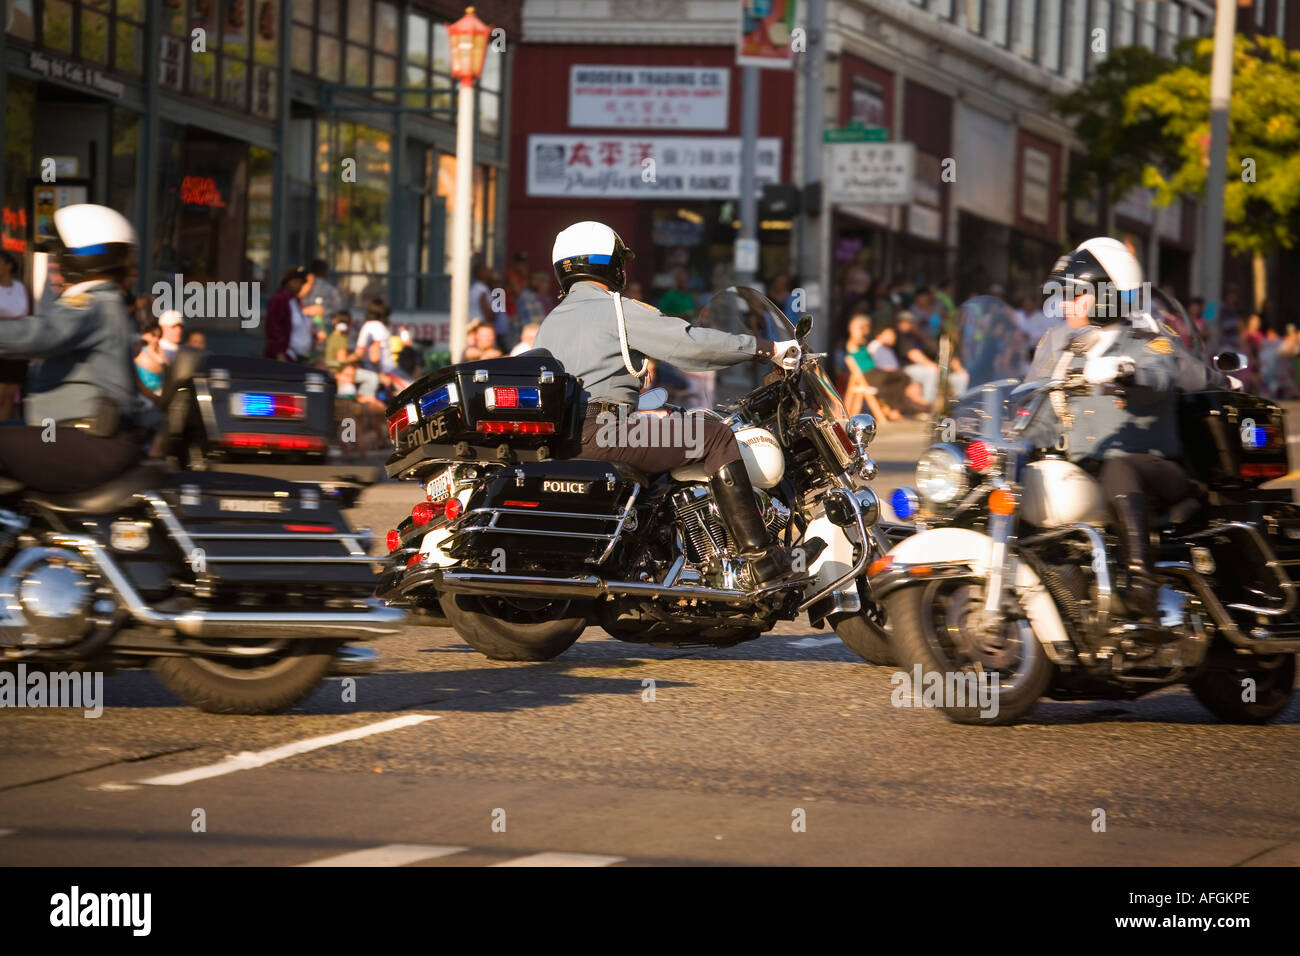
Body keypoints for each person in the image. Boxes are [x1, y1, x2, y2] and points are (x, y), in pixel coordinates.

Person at [532, 220, 802, 589]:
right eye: (619, 261)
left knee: (675, 426)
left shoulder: (550, 321)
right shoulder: (616, 309)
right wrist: (765, 349)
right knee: (712, 435)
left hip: (568, 436)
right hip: (604, 432)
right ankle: (760, 556)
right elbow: (689, 344)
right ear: (607, 263)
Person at [1025, 238, 1228, 627]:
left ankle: (1142, 584)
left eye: (1076, 295)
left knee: (1119, 469)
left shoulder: (1148, 340)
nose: (1065, 303)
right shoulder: (1067, 350)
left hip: (1155, 469)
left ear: (1107, 296)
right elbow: (1042, 411)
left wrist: (1125, 371)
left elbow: (1162, 375)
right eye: (1065, 294)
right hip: (1088, 467)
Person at [0, 204, 146, 493]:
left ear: (80, 257)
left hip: (90, 441)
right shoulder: (103, 302)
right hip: (79, 435)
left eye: (59, 255)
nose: (54, 263)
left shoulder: (94, 303)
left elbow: (41, 333)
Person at [0, 249, 32, 421]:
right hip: (1, 345)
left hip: (18, 346)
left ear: (8, 266)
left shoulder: (20, 287)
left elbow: (26, 312)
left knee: (10, 395)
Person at [264, 265, 311, 362]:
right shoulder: (279, 299)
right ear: (287, 283)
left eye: (301, 283)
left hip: (299, 355)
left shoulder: (296, 302)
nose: (299, 286)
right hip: (285, 355)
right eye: (295, 282)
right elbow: (273, 327)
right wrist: (279, 353)